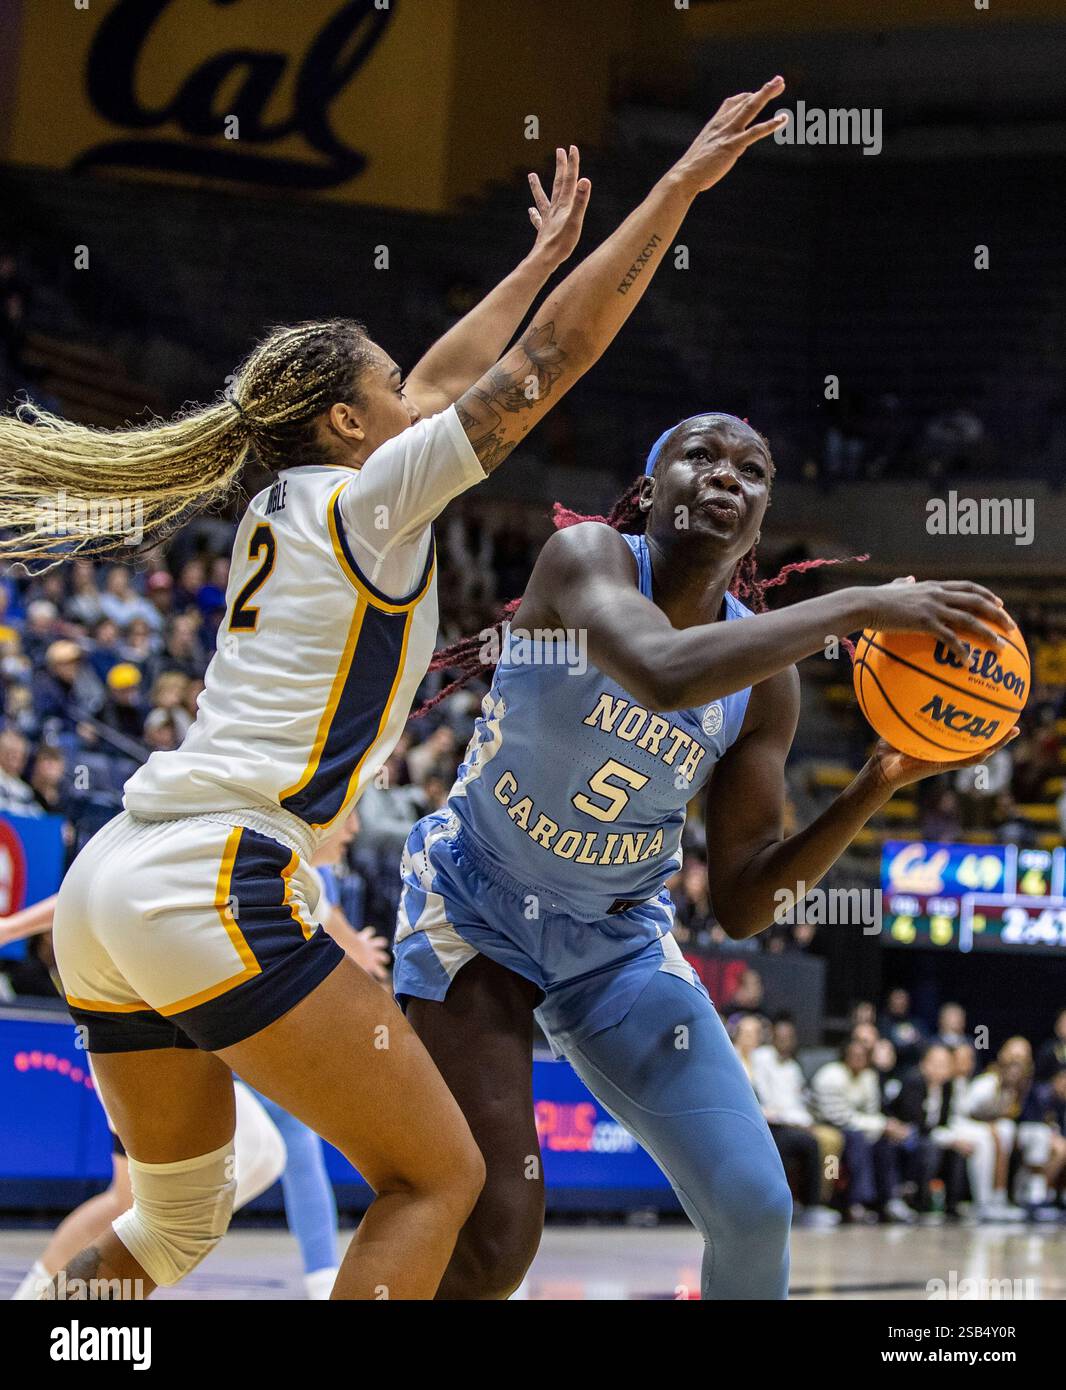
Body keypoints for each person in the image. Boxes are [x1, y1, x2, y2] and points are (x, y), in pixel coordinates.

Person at [3, 122, 724, 1296]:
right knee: (438, 1181)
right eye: (389, 386)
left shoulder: (298, 496)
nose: (416, 392)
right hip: (217, 879)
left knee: (171, 1231)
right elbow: (548, 361)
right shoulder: (369, 502)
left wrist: (537, 256)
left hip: (112, 886)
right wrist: (676, 191)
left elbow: (447, 378)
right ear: (349, 423)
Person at [391, 164, 1016, 1301]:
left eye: (751, 469)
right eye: (701, 456)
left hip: (617, 940)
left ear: (762, 516)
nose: (724, 476)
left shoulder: (766, 686)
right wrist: (866, 605)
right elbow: (661, 670)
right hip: (474, 911)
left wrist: (878, 779)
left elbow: (738, 901)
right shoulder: (584, 562)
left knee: (753, 1199)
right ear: (652, 485)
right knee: (499, 1232)